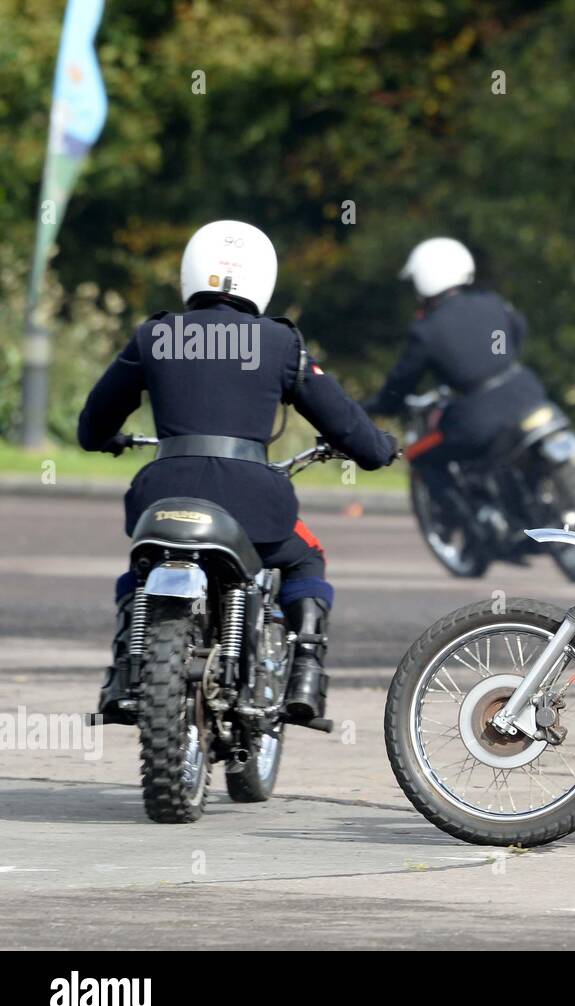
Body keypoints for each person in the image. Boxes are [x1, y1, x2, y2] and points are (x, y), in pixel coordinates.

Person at [78, 220, 398, 727]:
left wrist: (108, 441)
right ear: (260, 279)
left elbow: (92, 425)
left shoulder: (154, 334)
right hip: (252, 503)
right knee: (306, 556)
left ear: (191, 273)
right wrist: (379, 450)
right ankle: (306, 681)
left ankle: (124, 672)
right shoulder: (280, 343)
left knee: (142, 570)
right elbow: (346, 424)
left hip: (162, 496)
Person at [362, 237, 548, 497]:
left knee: (418, 455)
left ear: (423, 279)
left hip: (477, 419)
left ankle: (471, 532)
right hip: (529, 393)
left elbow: (401, 383)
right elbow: (519, 329)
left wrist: (373, 407)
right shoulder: (492, 301)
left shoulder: (426, 329)